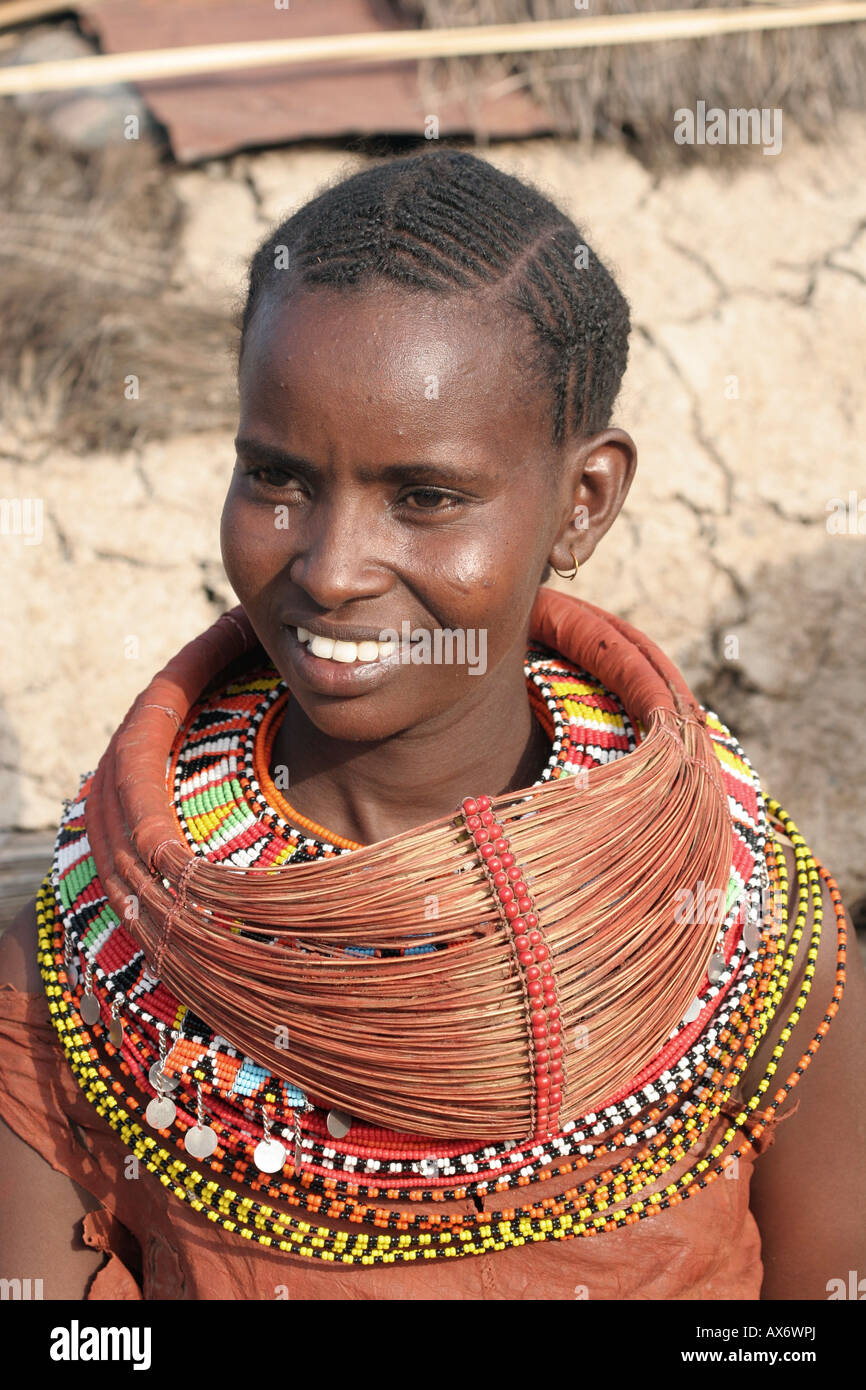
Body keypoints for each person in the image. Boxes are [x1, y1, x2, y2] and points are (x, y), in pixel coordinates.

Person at [1, 148, 864, 1301]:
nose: (333, 569)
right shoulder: (97, 950)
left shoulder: (734, 917)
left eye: (425, 496)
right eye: (277, 477)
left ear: (583, 501)